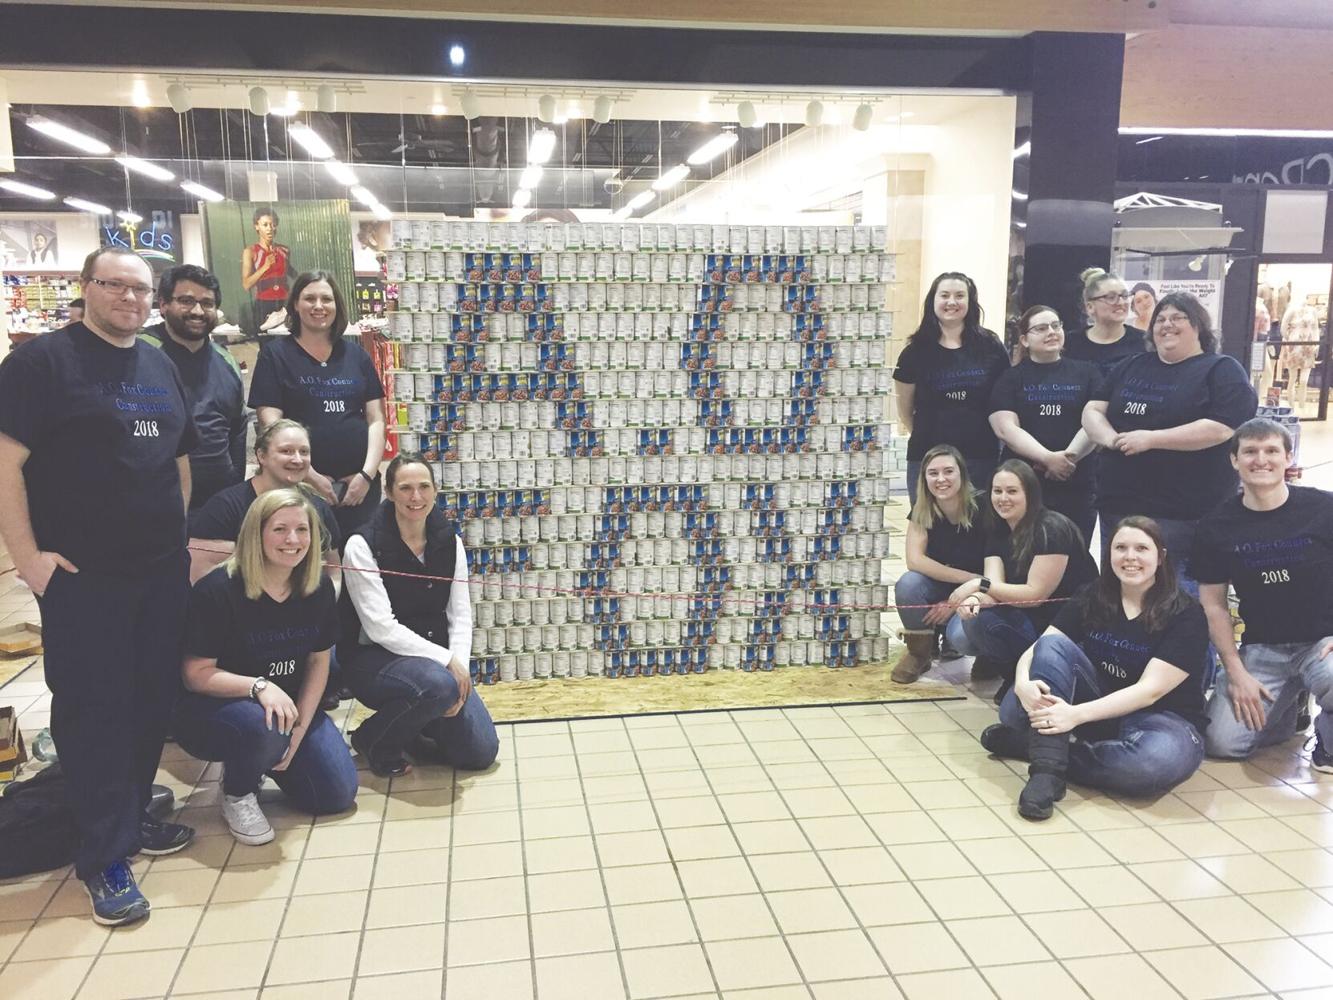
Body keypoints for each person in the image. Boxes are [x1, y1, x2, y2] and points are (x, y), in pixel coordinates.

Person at [0, 247, 197, 925]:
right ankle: (102, 857)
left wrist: (178, 540)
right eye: (114, 286)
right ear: (86, 289)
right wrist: (27, 557)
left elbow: (176, 458)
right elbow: (7, 464)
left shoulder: (156, 362)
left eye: (141, 290)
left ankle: (132, 816)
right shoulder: (39, 364)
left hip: (159, 570)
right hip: (85, 580)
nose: (129, 299)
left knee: (149, 702)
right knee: (93, 712)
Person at [980, 516, 1210, 819]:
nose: (1130, 557)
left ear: (1160, 557)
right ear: (1108, 554)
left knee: (1151, 765)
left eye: (1142, 548)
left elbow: (1150, 691)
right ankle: (1046, 774)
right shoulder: (1093, 594)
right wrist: (1022, 683)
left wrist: (1074, 715)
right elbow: (1043, 645)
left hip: (1161, 717)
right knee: (1015, 705)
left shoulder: (1186, 613)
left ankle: (1040, 749)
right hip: (1099, 707)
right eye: (1120, 548)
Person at [175, 488, 357, 845]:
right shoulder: (218, 589)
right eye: (280, 529)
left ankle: (265, 755)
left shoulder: (315, 585)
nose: (293, 540)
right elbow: (194, 675)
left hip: (286, 709)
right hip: (216, 709)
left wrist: (302, 727)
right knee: (265, 728)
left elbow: (319, 660)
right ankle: (238, 791)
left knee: (335, 795)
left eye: (302, 530)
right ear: (255, 533)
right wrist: (259, 686)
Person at [341, 453, 499, 777]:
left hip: (434, 664)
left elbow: (460, 614)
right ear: (388, 492)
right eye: (405, 488)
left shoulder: (450, 541)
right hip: (374, 660)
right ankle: (374, 740)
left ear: (435, 491)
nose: (416, 497)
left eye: (424, 487)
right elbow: (380, 628)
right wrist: (447, 664)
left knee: (480, 752)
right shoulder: (361, 544)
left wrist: (461, 670)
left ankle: (416, 725)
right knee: (439, 687)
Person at [1081, 292, 1258, 580]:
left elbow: (1221, 427)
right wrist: (1112, 439)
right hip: (1119, 508)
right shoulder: (1132, 365)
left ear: (1199, 326)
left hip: (1184, 514)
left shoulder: (1221, 369)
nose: (1167, 324)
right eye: (1160, 319)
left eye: (1178, 318)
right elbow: (1092, 410)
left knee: (1176, 599)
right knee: (1118, 592)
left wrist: (1151, 439)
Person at [1193, 418, 1333, 765]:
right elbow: (1213, 605)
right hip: (1262, 648)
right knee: (1222, 742)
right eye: (1250, 451)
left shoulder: (1324, 508)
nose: (1261, 460)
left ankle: (1326, 734)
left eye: (1271, 450)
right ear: (1234, 461)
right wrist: (1236, 670)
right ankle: (1291, 708)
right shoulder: (1216, 526)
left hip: (1322, 644)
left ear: (1288, 457)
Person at [248, 270, 386, 537]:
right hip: (298, 485)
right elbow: (270, 424)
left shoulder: (356, 355)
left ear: (337, 306)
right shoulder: (275, 356)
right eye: (309, 298)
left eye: (327, 299)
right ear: (295, 305)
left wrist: (367, 476)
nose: (319, 306)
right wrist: (309, 476)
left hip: (360, 489)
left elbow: (376, 419)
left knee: (358, 560)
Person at [951, 460, 1097, 693]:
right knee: (968, 624)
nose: (1003, 498)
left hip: (1064, 624)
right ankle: (1013, 675)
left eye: (1012, 491)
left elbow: (1035, 595)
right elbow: (995, 588)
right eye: (997, 491)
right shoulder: (998, 530)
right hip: (1026, 615)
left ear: (1030, 493)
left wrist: (977, 585)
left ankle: (1032, 673)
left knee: (981, 623)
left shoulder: (1052, 528)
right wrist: (976, 600)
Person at [989, 304, 1101, 541]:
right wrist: (1047, 458)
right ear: (1025, 339)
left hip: (1077, 481)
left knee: (1075, 553)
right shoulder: (1010, 378)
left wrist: (1067, 459)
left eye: (1055, 325)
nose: (1051, 332)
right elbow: (1005, 427)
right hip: (1025, 483)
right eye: (1041, 328)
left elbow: (1096, 419)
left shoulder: (1088, 372)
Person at [140, 265, 248, 509]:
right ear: (164, 304)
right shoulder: (140, 353)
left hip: (217, 500)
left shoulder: (226, 361)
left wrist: (233, 488)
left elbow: (237, 429)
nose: (198, 311)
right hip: (155, 501)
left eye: (207, 303)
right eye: (186, 301)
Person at [893, 271, 1010, 492]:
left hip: (980, 457)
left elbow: (1003, 400)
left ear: (970, 302)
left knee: (979, 525)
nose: (951, 302)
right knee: (928, 525)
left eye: (959, 295)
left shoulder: (991, 346)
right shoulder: (914, 352)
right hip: (928, 458)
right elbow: (905, 411)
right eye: (944, 295)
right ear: (933, 301)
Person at [188, 419, 341, 585]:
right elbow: (201, 575)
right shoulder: (224, 508)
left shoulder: (319, 507)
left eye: (304, 452)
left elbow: (333, 570)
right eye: (286, 451)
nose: (298, 459)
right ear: (261, 456)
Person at [892, 445, 987, 683]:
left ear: (962, 475)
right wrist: (962, 583)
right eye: (933, 473)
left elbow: (994, 574)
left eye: (948, 471)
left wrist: (958, 599)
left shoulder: (984, 508)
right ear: (924, 478)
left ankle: (991, 655)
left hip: (981, 590)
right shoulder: (923, 509)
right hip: (958, 582)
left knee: (959, 638)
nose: (941, 479)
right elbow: (915, 560)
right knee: (908, 584)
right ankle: (920, 653)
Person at [1064, 268, 1147, 377]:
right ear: (1090, 307)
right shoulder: (1070, 343)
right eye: (1111, 297)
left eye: (1125, 295)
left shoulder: (1144, 341)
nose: (1121, 302)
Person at [241, 206, 291, 338]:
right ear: (256, 226)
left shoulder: (284, 251)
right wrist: (265, 267)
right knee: (267, 347)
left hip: (284, 304)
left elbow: (287, 278)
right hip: (264, 305)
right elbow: (246, 284)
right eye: (265, 224)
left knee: (288, 345)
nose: (270, 228)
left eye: (273, 225)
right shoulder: (251, 252)